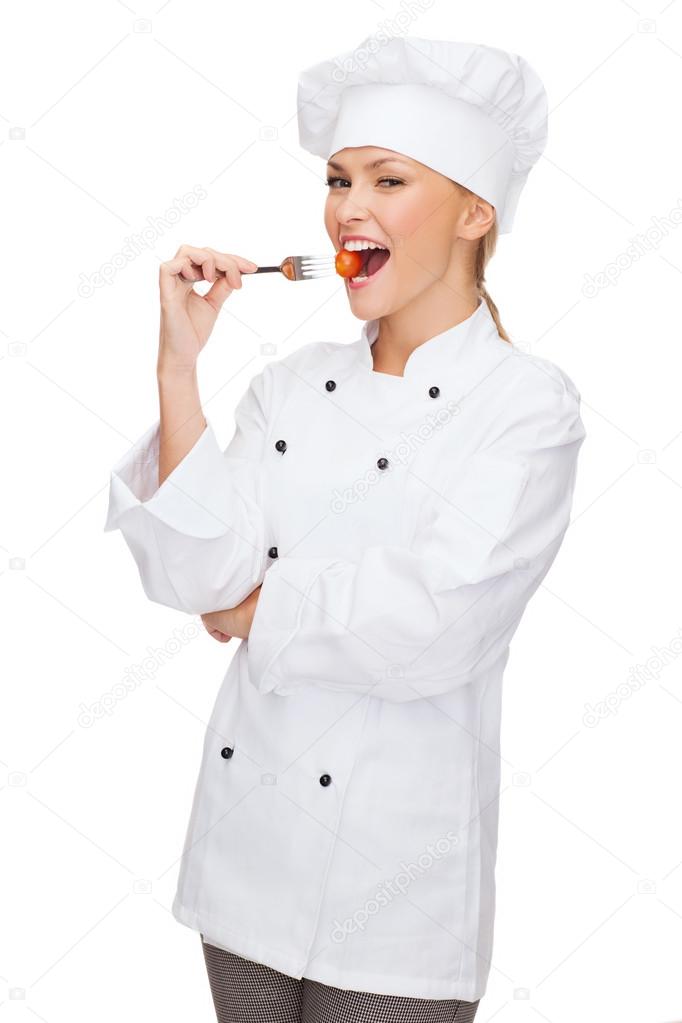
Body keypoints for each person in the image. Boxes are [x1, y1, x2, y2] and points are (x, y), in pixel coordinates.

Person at [103, 34, 586, 1023]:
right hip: (246, 861)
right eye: (337, 179)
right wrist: (178, 368)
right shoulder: (289, 387)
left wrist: (256, 612)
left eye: (387, 179)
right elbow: (199, 574)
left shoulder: (526, 407)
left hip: (400, 891)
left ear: (475, 212)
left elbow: (438, 623)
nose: (346, 207)